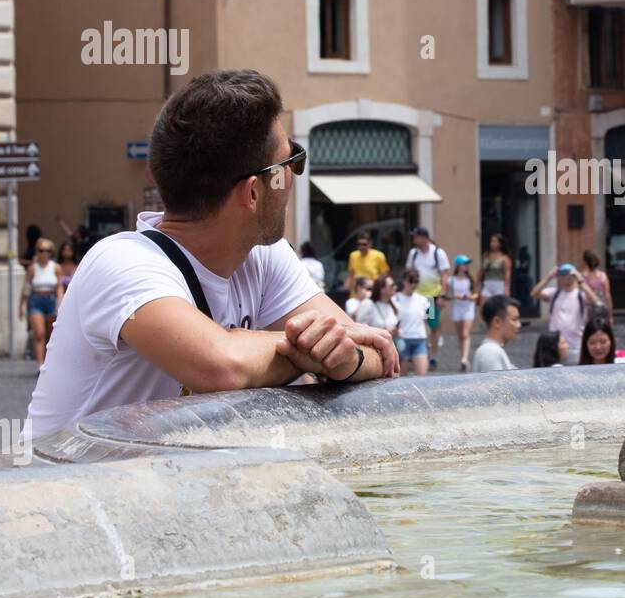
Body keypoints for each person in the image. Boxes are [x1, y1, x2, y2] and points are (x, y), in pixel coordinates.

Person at [24, 70, 397, 441]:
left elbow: (373, 349)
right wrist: (315, 351)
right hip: (63, 491)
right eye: (290, 164)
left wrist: (345, 359)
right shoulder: (121, 263)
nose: (295, 177)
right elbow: (222, 367)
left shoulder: (262, 256)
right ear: (252, 193)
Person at [531, 263, 598, 364]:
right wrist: (548, 278)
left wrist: (580, 280)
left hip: (575, 346)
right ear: (559, 277)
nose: (567, 277)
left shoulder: (580, 295)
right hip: (555, 345)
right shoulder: (554, 293)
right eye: (563, 274)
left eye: (570, 274)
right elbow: (534, 294)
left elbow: (593, 299)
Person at [406, 226, 450, 368]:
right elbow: (409, 272)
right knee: (420, 324)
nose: (413, 240)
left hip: (431, 297)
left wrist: (443, 295)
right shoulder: (413, 253)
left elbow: (444, 275)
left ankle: (433, 356)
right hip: (417, 297)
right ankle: (422, 354)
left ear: (424, 238)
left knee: (432, 325)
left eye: (415, 237)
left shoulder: (438, 253)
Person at [20, 238, 63, 368]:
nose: (44, 253)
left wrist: (60, 301)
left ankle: (49, 364)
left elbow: (59, 286)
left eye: (47, 250)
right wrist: (21, 305)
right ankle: (40, 364)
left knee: (50, 335)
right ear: (37, 251)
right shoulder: (32, 268)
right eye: (41, 250)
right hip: (36, 300)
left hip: (50, 299)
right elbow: (26, 287)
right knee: (39, 334)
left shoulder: (55, 267)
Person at [393, 268, 432, 376]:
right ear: (404, 281)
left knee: (422, 377)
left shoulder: (424, 300)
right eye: (411, 281)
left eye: (416, 281)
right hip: (402, 340)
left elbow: (426, 321)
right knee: (402, 379)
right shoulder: (395, 298)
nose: (413, 284)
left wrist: (429, 341)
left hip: (419, 339)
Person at [472, 294, 521, 372]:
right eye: (514, 319)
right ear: (497, 322)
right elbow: (495, 383)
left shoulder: (491, 350)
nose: (519, 325)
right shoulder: (491, 353)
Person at [449, 254, 478, 371]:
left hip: (468, 307)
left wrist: (471, 297)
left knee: (465, 333)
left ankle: (464, 359)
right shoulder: (451, 280)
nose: (466, 266)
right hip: (457, 307)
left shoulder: (469, 279)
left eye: (467, 264)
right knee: (460, 335)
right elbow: (446, 294)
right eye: (464, 264)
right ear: (458, 266)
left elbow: (476, 294)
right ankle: (463, 356)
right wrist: (454, 296)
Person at [358, 274, 398, 340]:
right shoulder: (368, 304)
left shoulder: (393, 305)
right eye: (392, 285)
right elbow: (359, 328)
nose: (395, 287)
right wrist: (383, 333)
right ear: (382, 289)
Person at [479, 233, 511, 299]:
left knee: (497, 305)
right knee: (484, 304)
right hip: (487, 283)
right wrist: (477, 283)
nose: (492, 243)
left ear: (500, 244)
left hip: (499, 284)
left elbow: (507, 274)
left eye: (495, 241)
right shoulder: (486, 255)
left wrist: (507, 289)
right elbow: (481, 270)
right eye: (491, 241)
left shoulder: (504, 258)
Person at [579, 250, 611, 317]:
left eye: (582, 260)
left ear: (585, 262)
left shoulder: (581, 278)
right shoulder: (603, 276)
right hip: (601, 309)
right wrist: (610, 316)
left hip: (587, 311)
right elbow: (607, 296)